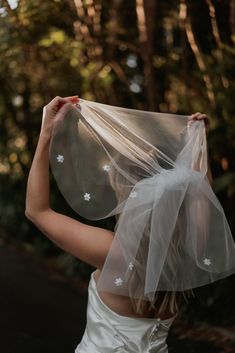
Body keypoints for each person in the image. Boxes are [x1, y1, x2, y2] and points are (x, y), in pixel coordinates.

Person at [25, 96, 234, 353]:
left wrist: (46, 131)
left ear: (125, 191)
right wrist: (198, 145)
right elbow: (201, 192)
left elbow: (37, 211)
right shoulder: (183, 251)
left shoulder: (113, 252)